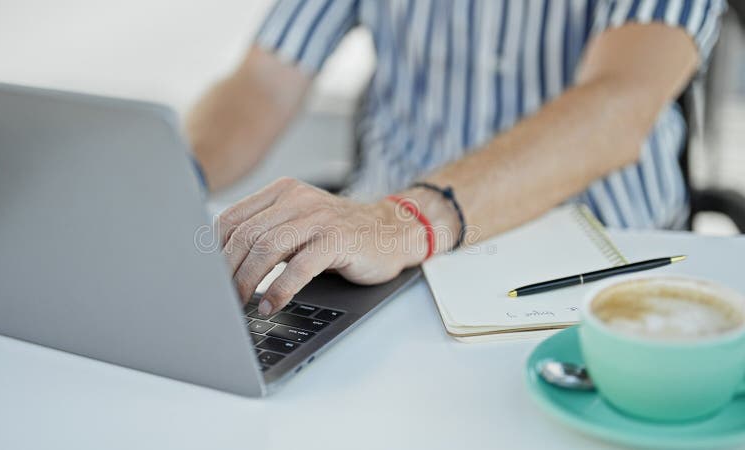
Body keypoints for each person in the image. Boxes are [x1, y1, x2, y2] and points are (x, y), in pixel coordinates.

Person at [187, 0, 726, 317]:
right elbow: (265, 80)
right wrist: (163, 182)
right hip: (384, 268)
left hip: (598, 262)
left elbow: (620, 104)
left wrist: (407, 219)